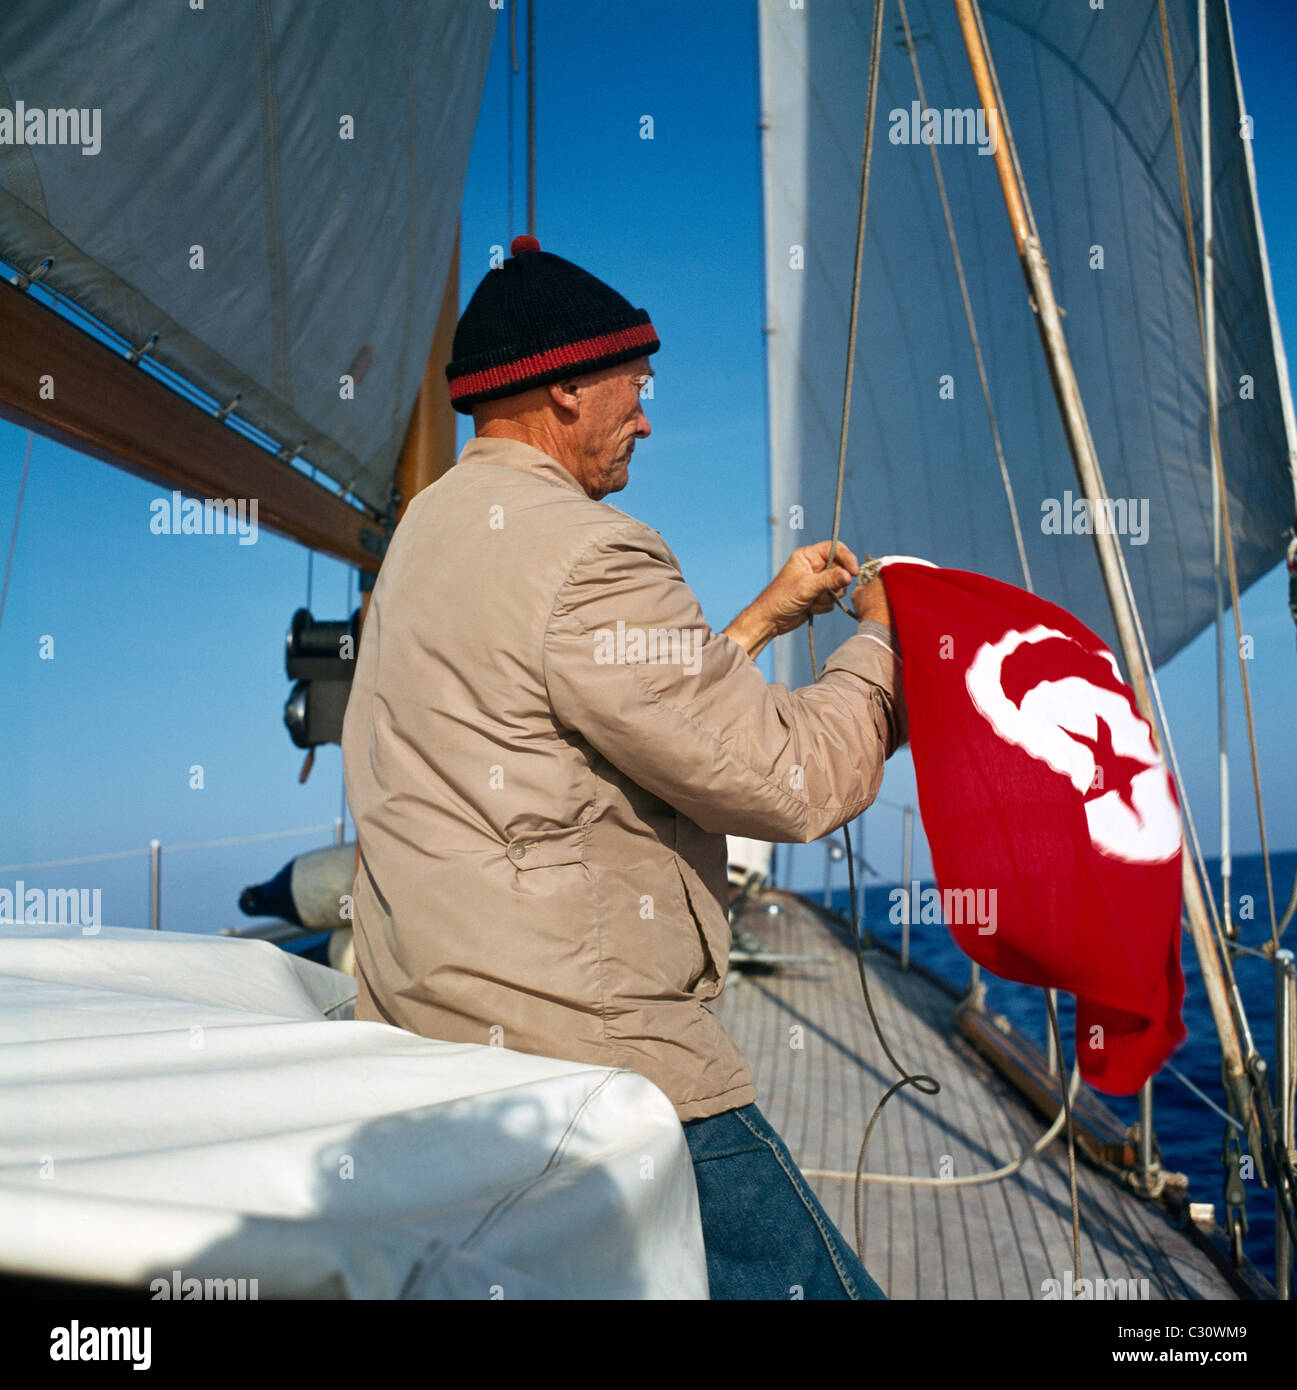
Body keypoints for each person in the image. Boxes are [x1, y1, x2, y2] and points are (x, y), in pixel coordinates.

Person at [341, 236, 906, 1300]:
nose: (645, 416)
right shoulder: (592, 549)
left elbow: (591, 730)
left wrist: (759, 619)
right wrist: (881, 646)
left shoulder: (427, 529)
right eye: (634, 387)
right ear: (564, 386)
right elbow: (792, 780)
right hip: (596, 1053)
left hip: (441, 1029)